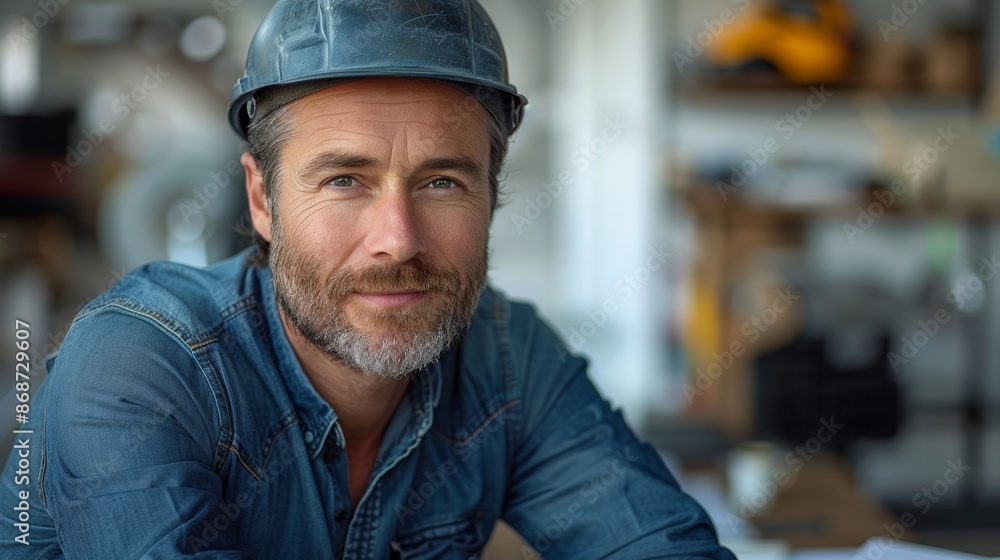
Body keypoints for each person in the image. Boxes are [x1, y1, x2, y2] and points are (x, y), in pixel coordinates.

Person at [1, 0, 735, 557]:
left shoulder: (509, 361)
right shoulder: (140, 368)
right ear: (263, 199)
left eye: (443, 182)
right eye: (346, 179)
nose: (398, 241)